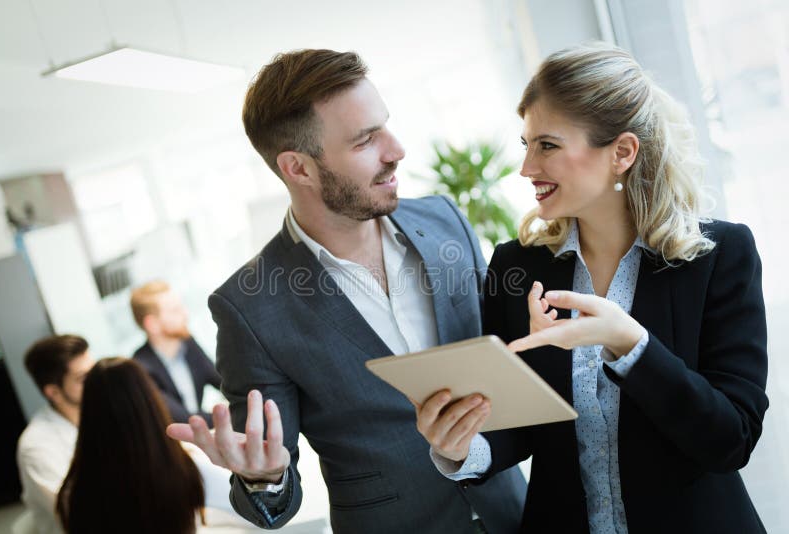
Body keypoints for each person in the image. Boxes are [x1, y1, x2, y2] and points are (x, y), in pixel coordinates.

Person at [167, 49, 527, 534]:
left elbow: (500, 361)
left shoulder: (444, 221)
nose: (395, 149)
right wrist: (265, 477)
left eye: (386, 126)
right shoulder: (250, 306)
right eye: (365, 141)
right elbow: (273, 496)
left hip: (515, 515)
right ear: (298, 168)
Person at [415, 43, 769, 533]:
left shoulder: (719, 256)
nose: (526, 168)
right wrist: (461, 447)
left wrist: (631, 344)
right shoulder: (515, 266)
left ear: (622, 152)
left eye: (548, 146)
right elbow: (522, 424)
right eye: (526, 145)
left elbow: (731, 439)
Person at [55, 357, 255, 534]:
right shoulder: (182, 468)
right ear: (150, 403)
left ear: (89, 412)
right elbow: (258, 513)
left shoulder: (74, 490)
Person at [17, 335, 94, 534]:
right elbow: (80, 514)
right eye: (84, 378)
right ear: (54, 393)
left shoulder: (101, 413)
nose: (97, 382)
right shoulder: (36, 447)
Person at [131, 280, 221, 426]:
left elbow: (224, 381)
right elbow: (184, 421)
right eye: (175, 310)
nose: (185, 314)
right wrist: (233, 413)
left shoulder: (188, 343)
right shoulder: (140, 369)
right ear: (152, 324)